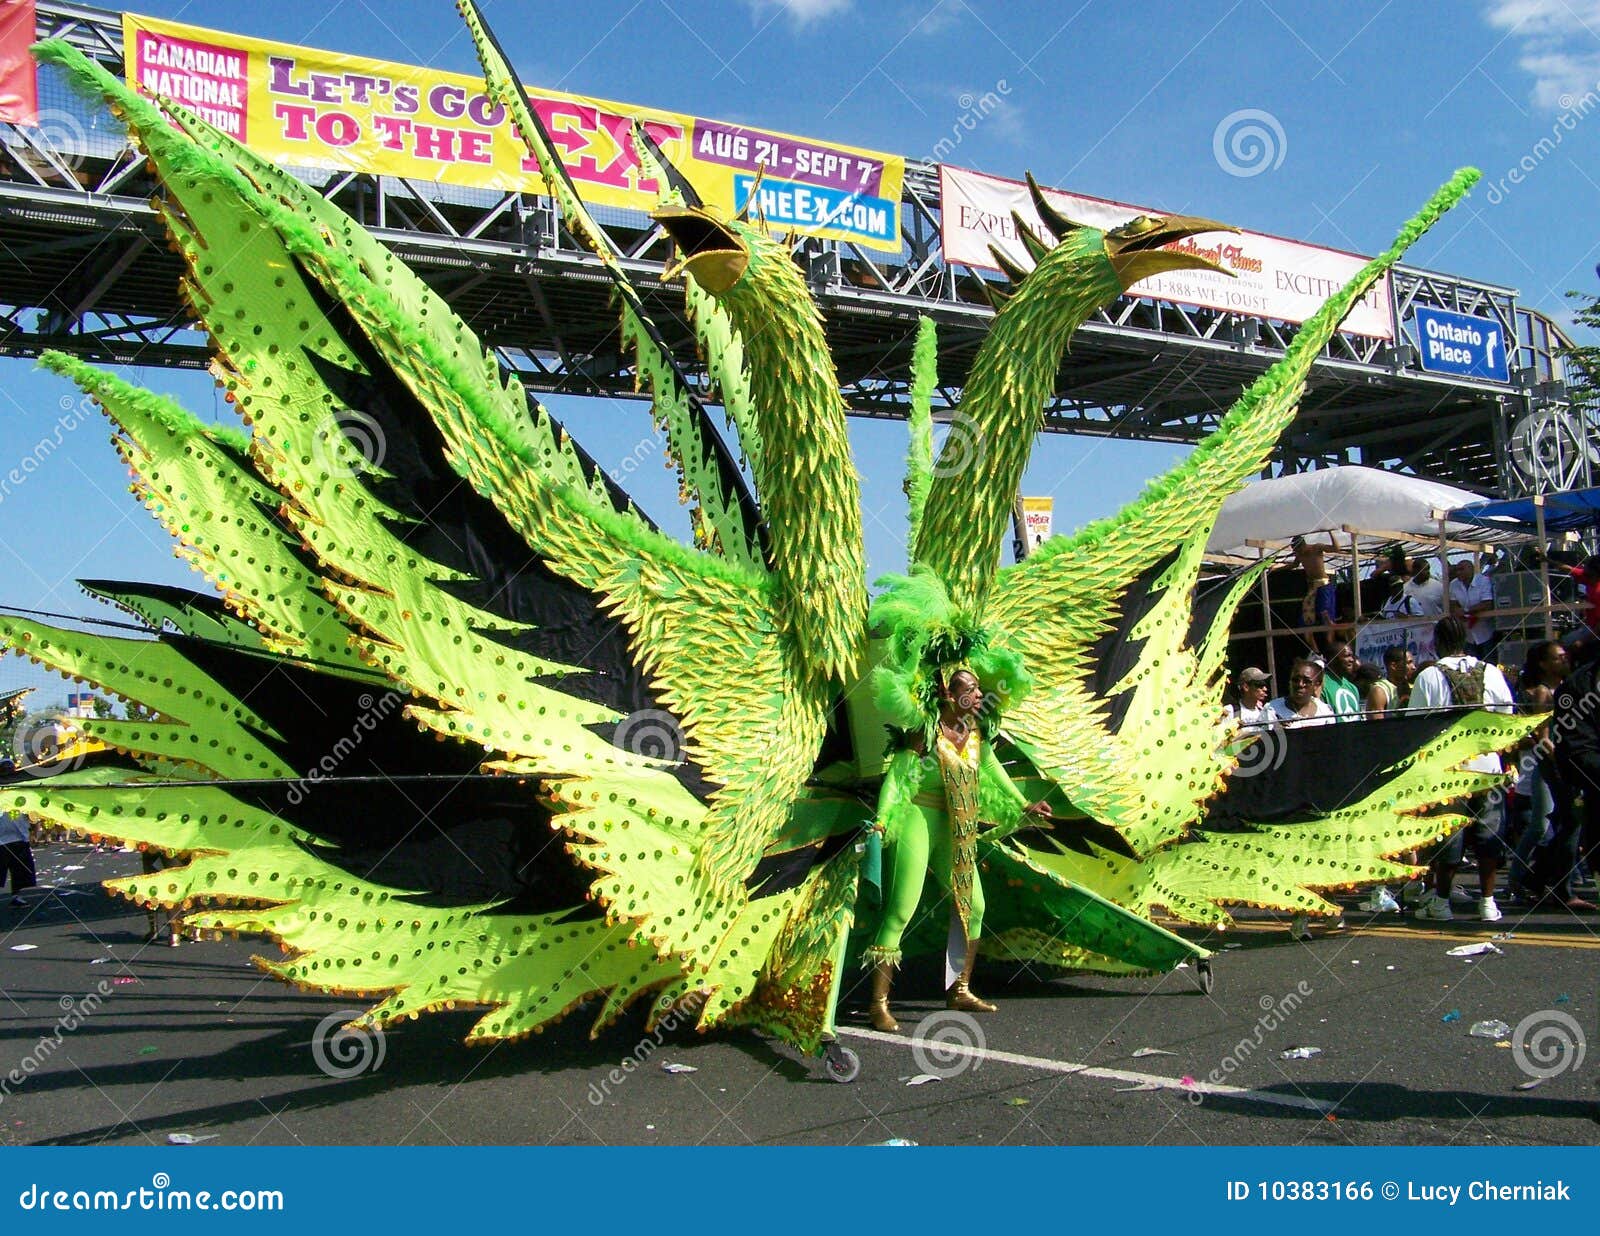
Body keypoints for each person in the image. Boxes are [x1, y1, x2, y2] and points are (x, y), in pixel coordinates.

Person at [866, 667, 1050, 1032]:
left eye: (980, 689)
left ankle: (960, 989)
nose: (980, 695)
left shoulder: (975, 730)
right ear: (949, 696)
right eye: (972, 689)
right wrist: (883, 819)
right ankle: (878, 1004)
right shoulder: (925, 732)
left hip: (955, 824)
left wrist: (1023, 803)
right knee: (901, 910)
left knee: (974, 906)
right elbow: (898, 778)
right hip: (918, 816)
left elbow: (990, 765)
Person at [1405, 616, 1515, 922]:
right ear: (1464, 640)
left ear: (1437, 643)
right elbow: (1507, 715)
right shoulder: (1490, 671)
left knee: (1449, 836)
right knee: (1488, 835)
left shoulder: (1429, 676)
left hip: (1448, 771)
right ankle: (1488, 903)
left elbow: (1415, 725)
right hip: (1488, 766)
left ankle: (1441, 902)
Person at [0, 760, 38, 908]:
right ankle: (17, 897)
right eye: (5, 770)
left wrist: (33, 832)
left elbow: (32, 812)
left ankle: (17, 897)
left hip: (19, 837)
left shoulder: (21, 788)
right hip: (4, 839)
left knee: (20, 871)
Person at [1449, 557, 1497, 659]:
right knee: (1471, 665)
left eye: (1461, 569)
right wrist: (1457, 610)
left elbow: (1487, 603)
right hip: (1468, 634)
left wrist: (1466, 610)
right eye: (1457, 570)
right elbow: (1453, 604)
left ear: (1471, 569)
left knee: (1489, 663)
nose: (1458, 572)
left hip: (1485, 632)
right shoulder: (1454, 584)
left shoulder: (1483, 581)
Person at [1267, 659, 1335, 728]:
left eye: (1307, 681)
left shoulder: (1325, 711)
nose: (1300, 684)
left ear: (1317, 685)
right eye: (1295, 680)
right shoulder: (1272, 709)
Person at [1291, 534, 1338, 631]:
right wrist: (1276, 569)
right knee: (1306, 615)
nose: (1298, 552)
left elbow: (1336, 548)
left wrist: (1330, 532)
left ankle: (1330, 632)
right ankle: (1310, 635)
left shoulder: (1317, 547)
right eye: (1296, 551)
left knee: (1325, 611)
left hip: (1323, 584)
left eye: (1298, 550)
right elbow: (1294, 565)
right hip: (1312, 587)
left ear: (1303, 545)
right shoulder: (1299, 554)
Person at [1320, 639, 1362, 719]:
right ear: (1332, 658)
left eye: (1352, 656)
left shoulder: (1352, 688)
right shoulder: (1321, 685)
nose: (1352, 660)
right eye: (1347, 656)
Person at [1223, 666, 1273, 731]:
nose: (1265, 689)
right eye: (1260, 685)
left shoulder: (1265, 712)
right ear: (1246, 687)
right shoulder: (1229, 711)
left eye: (1265, 685)